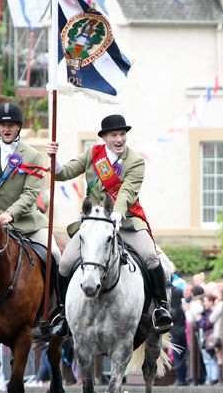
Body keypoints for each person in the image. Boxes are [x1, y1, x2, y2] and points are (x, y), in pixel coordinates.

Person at [47, 114, 172, 334]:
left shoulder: (135, 161)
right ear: (104, 137)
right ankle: (64, 314)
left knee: (151, 256)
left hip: (127, 220)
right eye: (114, 135)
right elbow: (64, 173)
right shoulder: (92, 154)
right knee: (65, 263)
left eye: (122, 134)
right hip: (95, 223)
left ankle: (160, 307)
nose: (119, 139)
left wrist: (117, 213)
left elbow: (127, 192)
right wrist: (54, 159)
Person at [0, 102, 60, 337]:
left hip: (24, 222)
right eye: (2, 125)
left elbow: (30, 194)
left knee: (55, 255)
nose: (6, 129)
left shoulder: (33, 155)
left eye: (12, 125)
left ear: (19, 128)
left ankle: (56, 312)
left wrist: (10, 213)